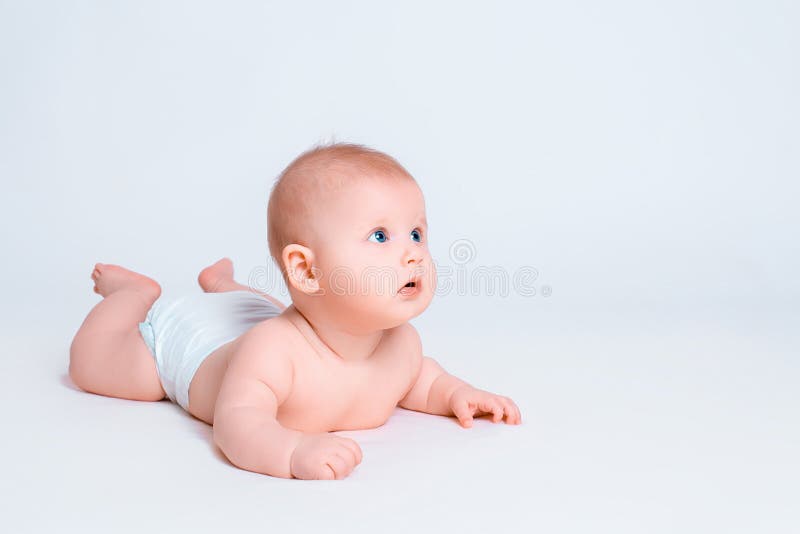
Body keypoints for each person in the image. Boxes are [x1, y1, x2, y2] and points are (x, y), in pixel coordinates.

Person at [68, 142, 521, 480]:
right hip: (188, 344)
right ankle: (132, 294)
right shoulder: (273, 351)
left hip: (251, 311)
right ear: (305, 270)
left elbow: (420, 380)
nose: (413, 255)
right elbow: (236, 422)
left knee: (264, 309)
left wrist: (455, 394)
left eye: (417, 234)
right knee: (95, 367)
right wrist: (290, 452)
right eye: (381, 237)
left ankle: (222, 286)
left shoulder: (401, 342)